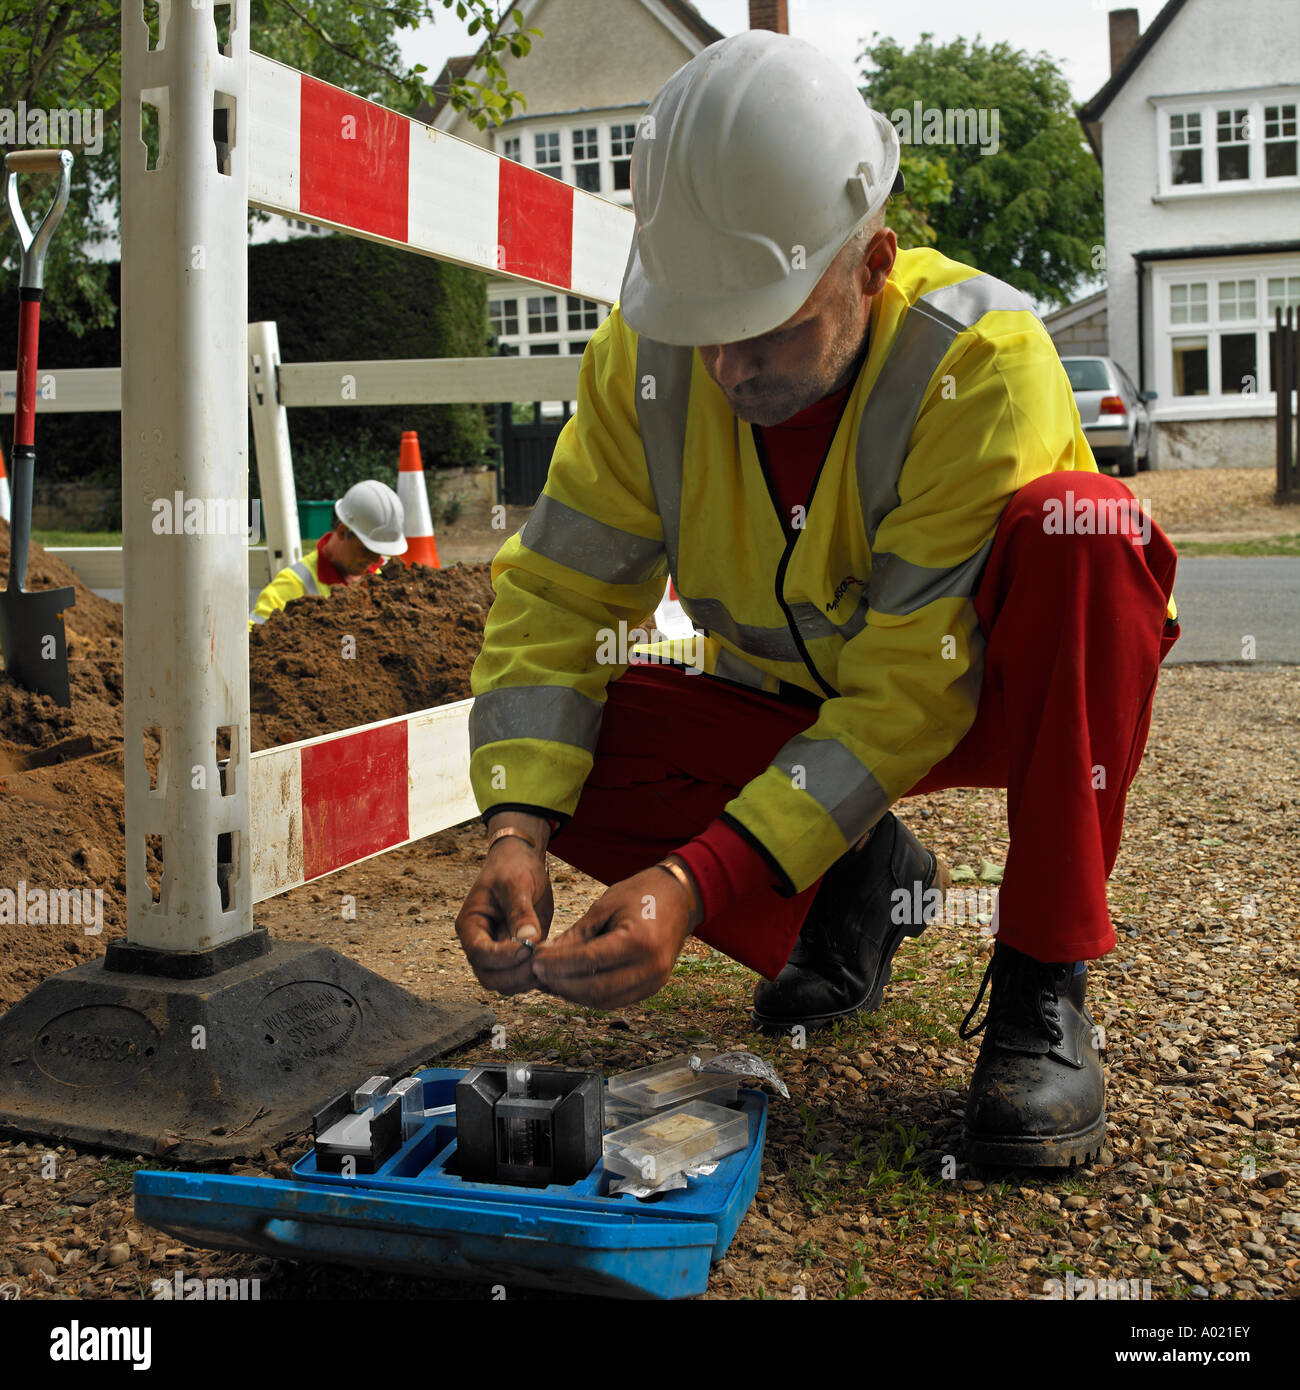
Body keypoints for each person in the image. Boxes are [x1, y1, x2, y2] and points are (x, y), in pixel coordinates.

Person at [454, 31, 1179, 1168]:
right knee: (564, 749)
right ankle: (855, 874)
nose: (729, 369)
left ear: (872, 260)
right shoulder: (646, 362)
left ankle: (1044, 981)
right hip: (789, 708)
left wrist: (699, 881)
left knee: (1086, 536)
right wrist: (515, 830)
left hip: (980, 692)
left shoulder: (978, 359)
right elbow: (558, 597)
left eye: (769, 324)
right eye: (703, 330)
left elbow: (908, 687)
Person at [250, 479, 406, 627]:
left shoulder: (382, 575)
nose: (374, 560)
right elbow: (253, 637)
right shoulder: (294, 584)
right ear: (342, 532)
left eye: (379, 552)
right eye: (366, 549)